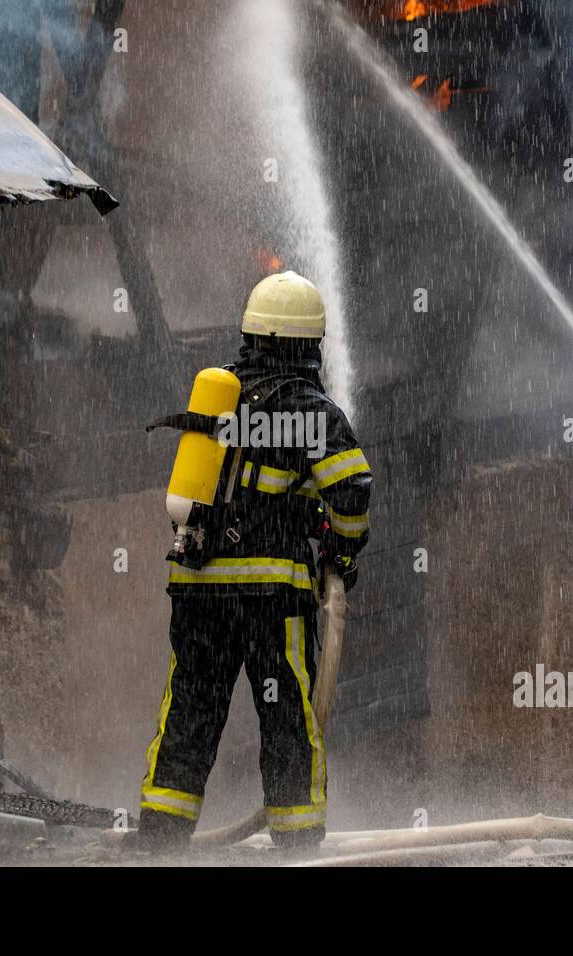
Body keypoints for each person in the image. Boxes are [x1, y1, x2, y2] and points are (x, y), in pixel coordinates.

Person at [134, 271, 372, 853]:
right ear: (308, 346)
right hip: (270, 596)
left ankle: (160, 842)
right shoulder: (311, 410)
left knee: (190, 707)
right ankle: (297, 847)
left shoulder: (217, 396)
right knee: (288, 714)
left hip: (197, 587)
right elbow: (351, 493)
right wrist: (341, 552)